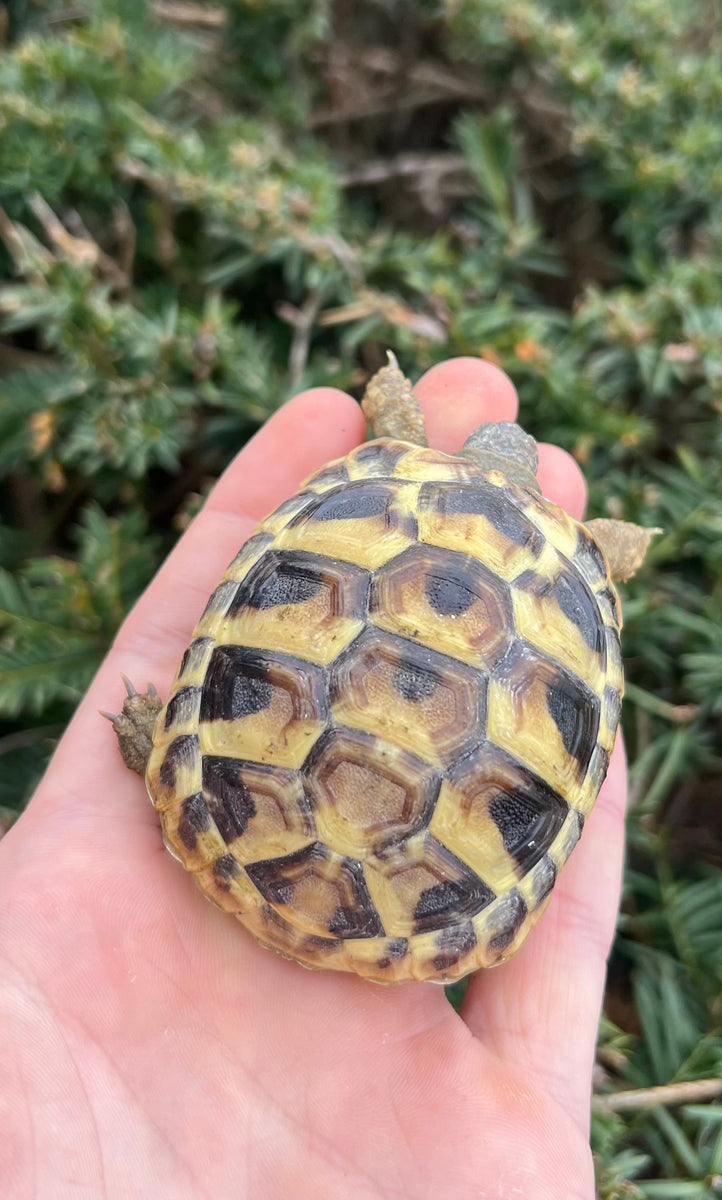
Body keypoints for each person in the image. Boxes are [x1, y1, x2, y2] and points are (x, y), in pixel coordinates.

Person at [0, 358, 627, 1199]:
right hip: (417, 906)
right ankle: (173, 756)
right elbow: (602, 571)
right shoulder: (576, 570)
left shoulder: (388, 472)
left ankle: (167, 754)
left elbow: (392, 426)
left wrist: (388, 394)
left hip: (245, 814)